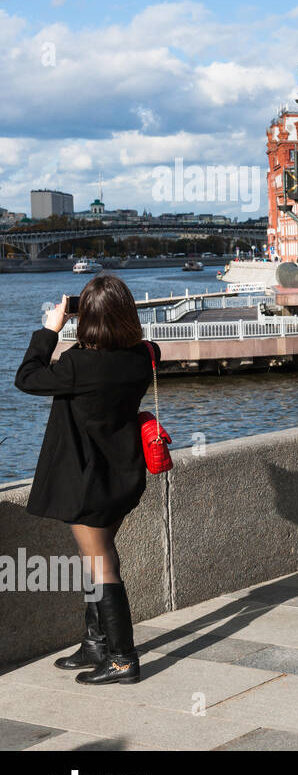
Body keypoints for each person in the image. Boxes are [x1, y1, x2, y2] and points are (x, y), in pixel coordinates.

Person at [14, 275, 160, 685]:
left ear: (88, 320)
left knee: (101, 562)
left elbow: (27, 377)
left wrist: (50, 328)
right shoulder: (144, 356)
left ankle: (122, 658)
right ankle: (95, 643)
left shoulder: (78, 365)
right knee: (97, 555)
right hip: (124, 476)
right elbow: (130, 348)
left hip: (87, 481)